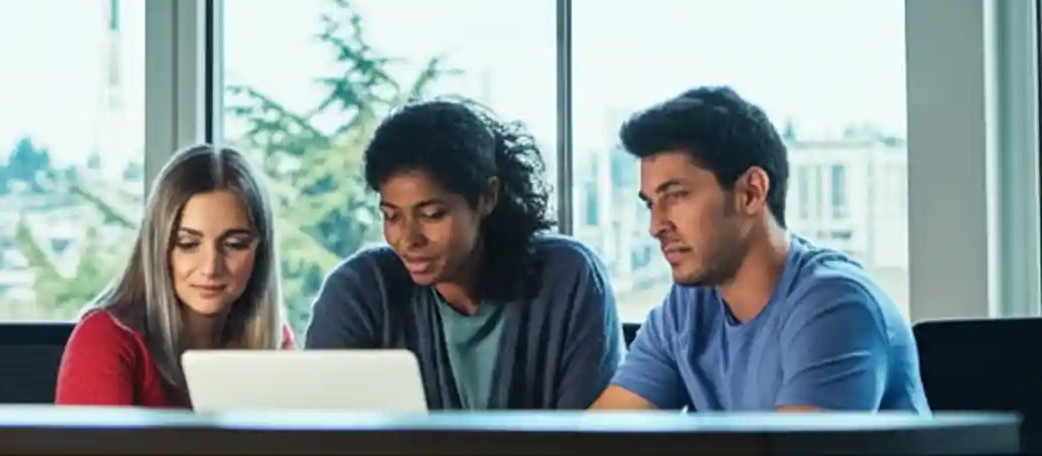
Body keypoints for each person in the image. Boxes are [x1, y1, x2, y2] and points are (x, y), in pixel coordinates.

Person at [590, 86, 928, 413]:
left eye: (676, 196)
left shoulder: (836, 306)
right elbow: (591, 444)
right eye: (651, 203)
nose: (656, 225)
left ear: (751, 192)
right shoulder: (686, 310)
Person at [305, 98, 625, 410]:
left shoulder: (568, 278)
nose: (407, 239)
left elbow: (588, 440)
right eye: (392, 216)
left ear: (487, 197)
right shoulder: (359, 291)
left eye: (432, 214)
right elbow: (326, 436)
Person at [55, 144, 293, 407]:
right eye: (188, 244)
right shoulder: (104, 341)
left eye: (234, 244)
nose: (210, 267)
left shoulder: (274, 342)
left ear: (261, 252)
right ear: (159, 247)